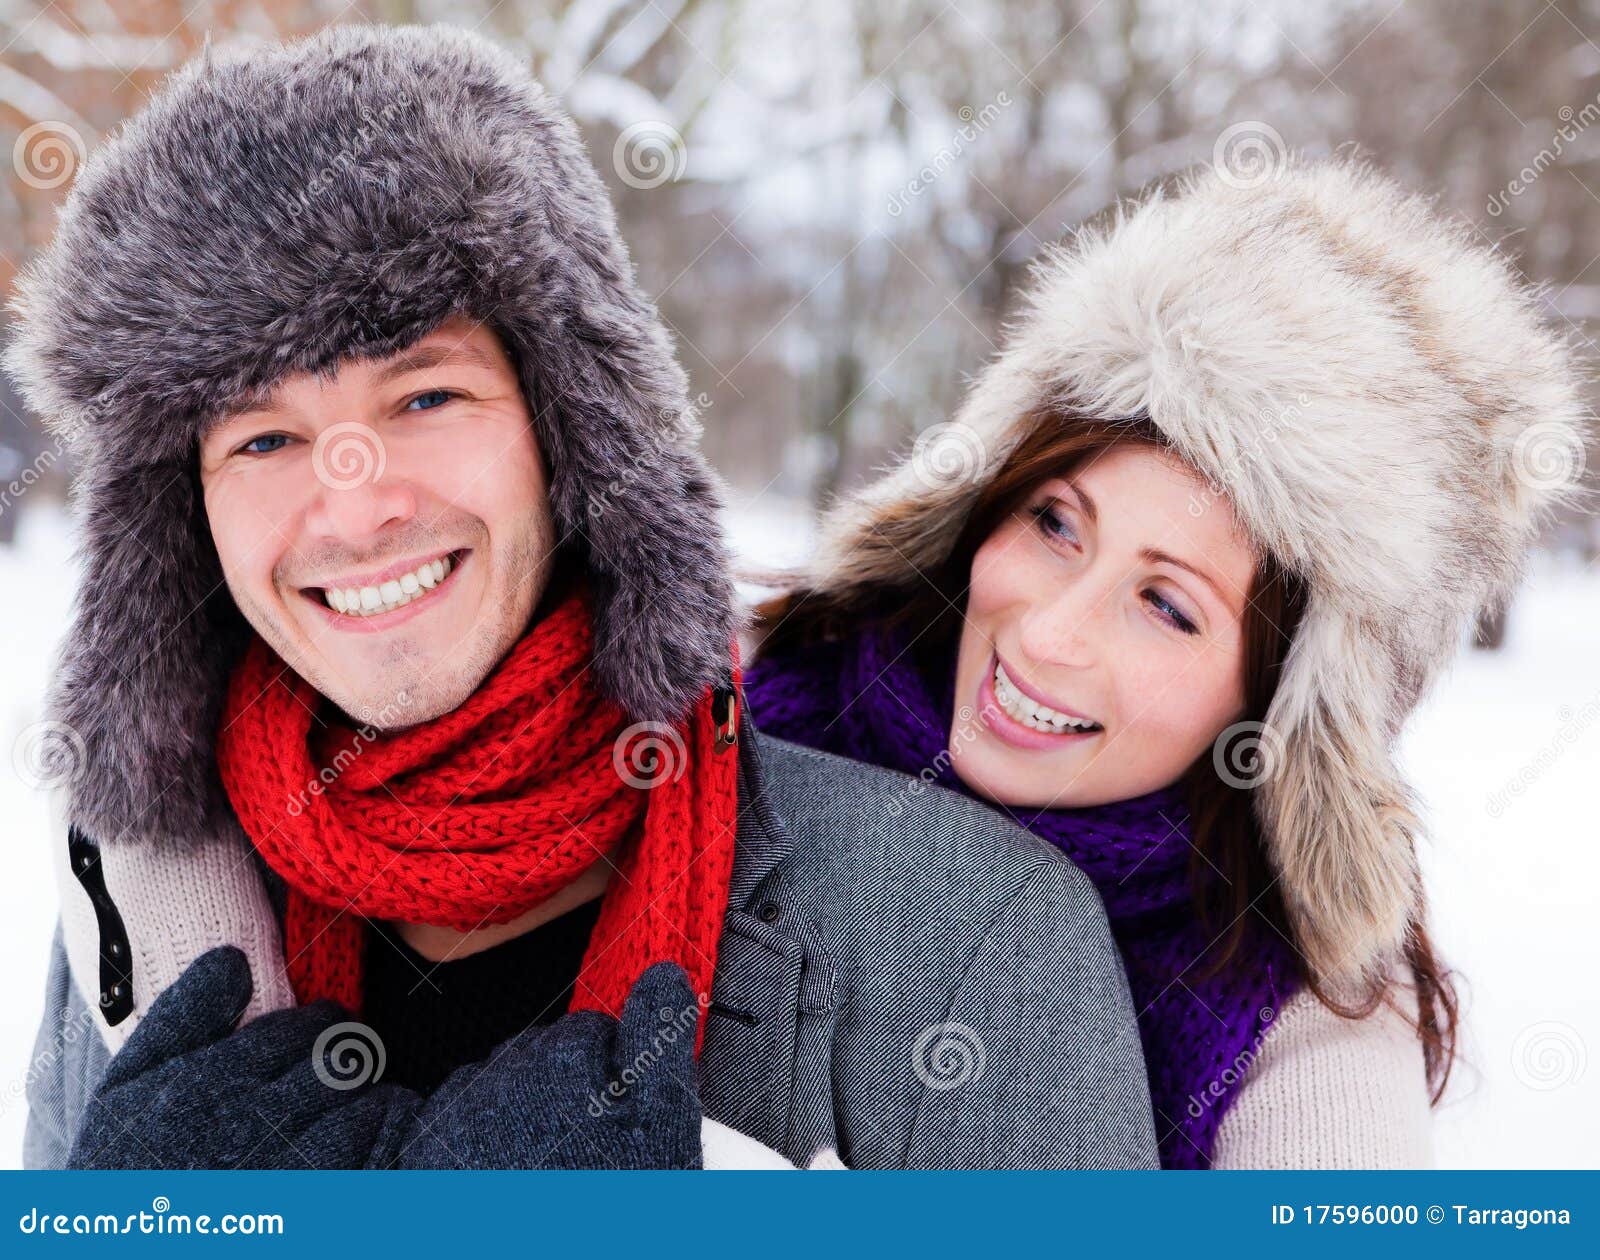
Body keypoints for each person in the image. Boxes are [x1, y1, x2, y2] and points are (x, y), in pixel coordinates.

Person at [4, 22, 1159, 1170]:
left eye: (424, 400)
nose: (354, 509)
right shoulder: (143, 914)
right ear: (180, 520)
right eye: (263, 438)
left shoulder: (971, 937)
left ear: (570, 430)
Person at [743, 156, 1589, 1168]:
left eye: (1165, 605)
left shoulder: (1301, 1035)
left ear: (1278, 707)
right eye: (1055, 523)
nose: (1050, 633)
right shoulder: (726, 710)